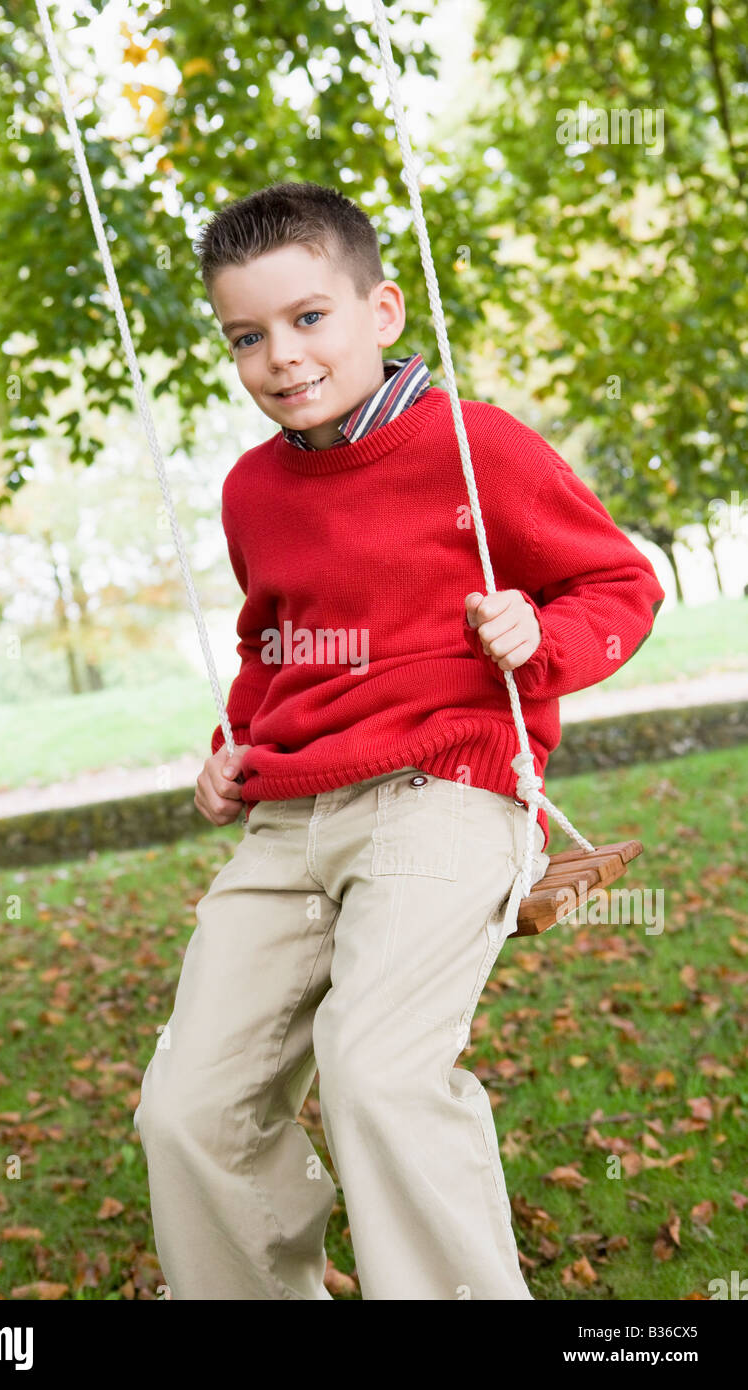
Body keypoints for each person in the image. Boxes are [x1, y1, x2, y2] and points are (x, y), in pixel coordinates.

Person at [133, 181, 666, 1300]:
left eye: (307, 317)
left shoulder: (474, 448)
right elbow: (268, 646)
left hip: (445, 786)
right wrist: (231, 744)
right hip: (288, 820)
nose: (279, 355)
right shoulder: (250, 491)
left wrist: (541, 633)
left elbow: (617, 580)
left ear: (379, 310)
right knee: (185, 1109)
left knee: (373, 1070)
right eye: (246, 335)